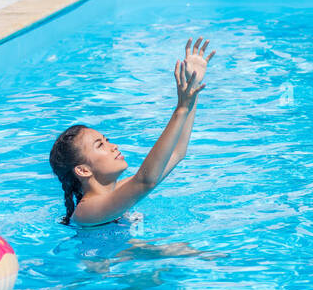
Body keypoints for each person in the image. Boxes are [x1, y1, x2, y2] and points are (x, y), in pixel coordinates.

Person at [48, 38, 214, 227]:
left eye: (107, 140)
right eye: (100, 145)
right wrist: (181, 108)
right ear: (83, 170)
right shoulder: (86, 211)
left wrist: (192, 92)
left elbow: (177, 152)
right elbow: (146, 181)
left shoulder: (119, 191)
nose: (113, 146)